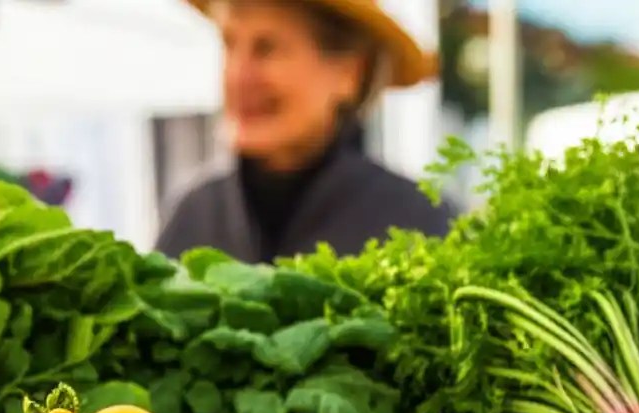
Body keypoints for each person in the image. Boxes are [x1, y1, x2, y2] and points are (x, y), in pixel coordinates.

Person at [156, 0, 455, 263]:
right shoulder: (194, 216)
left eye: (266, 48)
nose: (238, 75)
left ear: (349, 74)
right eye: (230, 44)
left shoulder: (419, 226)